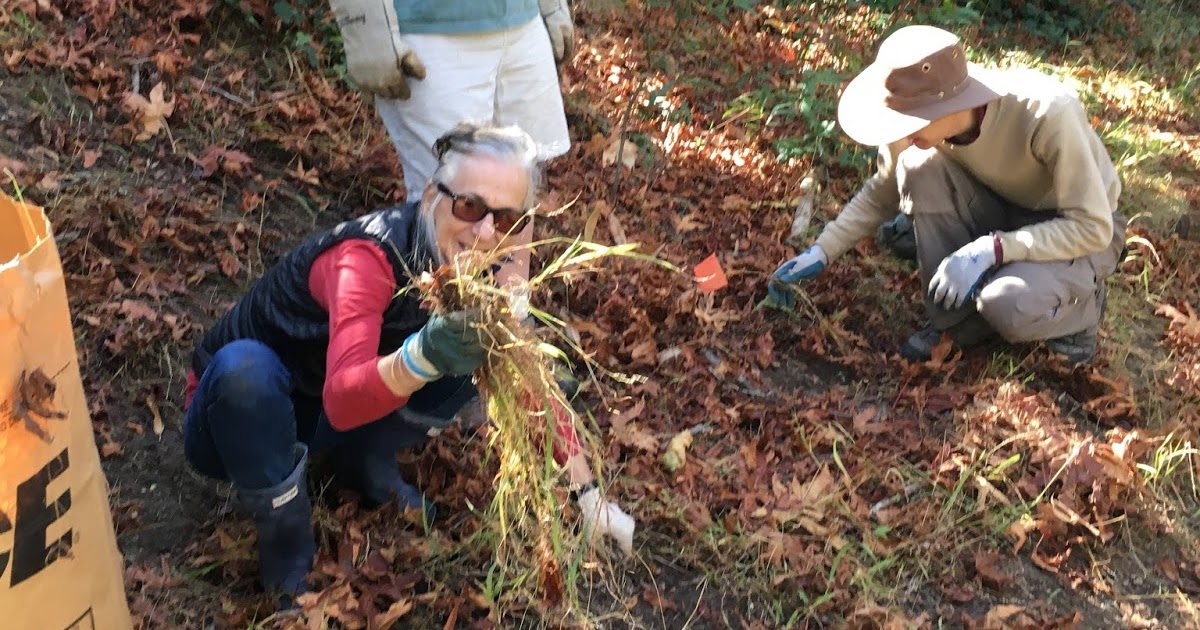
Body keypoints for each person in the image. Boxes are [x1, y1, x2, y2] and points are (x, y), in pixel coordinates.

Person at [181, 123, 634, 600]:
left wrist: (589, 496)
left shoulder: (483, 267)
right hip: (231, 425)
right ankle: (286, 534)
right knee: (245, 374)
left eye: (507, 220)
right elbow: (340, 401)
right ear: (430, 196)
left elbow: (526, 377)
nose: (485, 233)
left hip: (321, 417)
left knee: (477, 345)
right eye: (471, 206)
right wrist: (421, 356)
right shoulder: (366, 257)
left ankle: (362, 463)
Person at [768, 25, 1126, 365]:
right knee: (916, 165)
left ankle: (1083, 309)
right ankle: (958, 322)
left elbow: (1092, 226)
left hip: (1078, 231)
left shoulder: (1046, 113)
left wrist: (992, 249)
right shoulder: (909, 121)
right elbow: (884, 189)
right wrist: (822, 250)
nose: (901, 134)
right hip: (999, 206)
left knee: (1008, 303)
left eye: (911, 121)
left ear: (949, 105)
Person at [328, 0, 574, 202]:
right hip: (428, 32)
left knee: (519, 188)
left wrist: (552, 5)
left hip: (525, 25)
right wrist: (365, 25)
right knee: (448, 199)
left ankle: (514, 266)